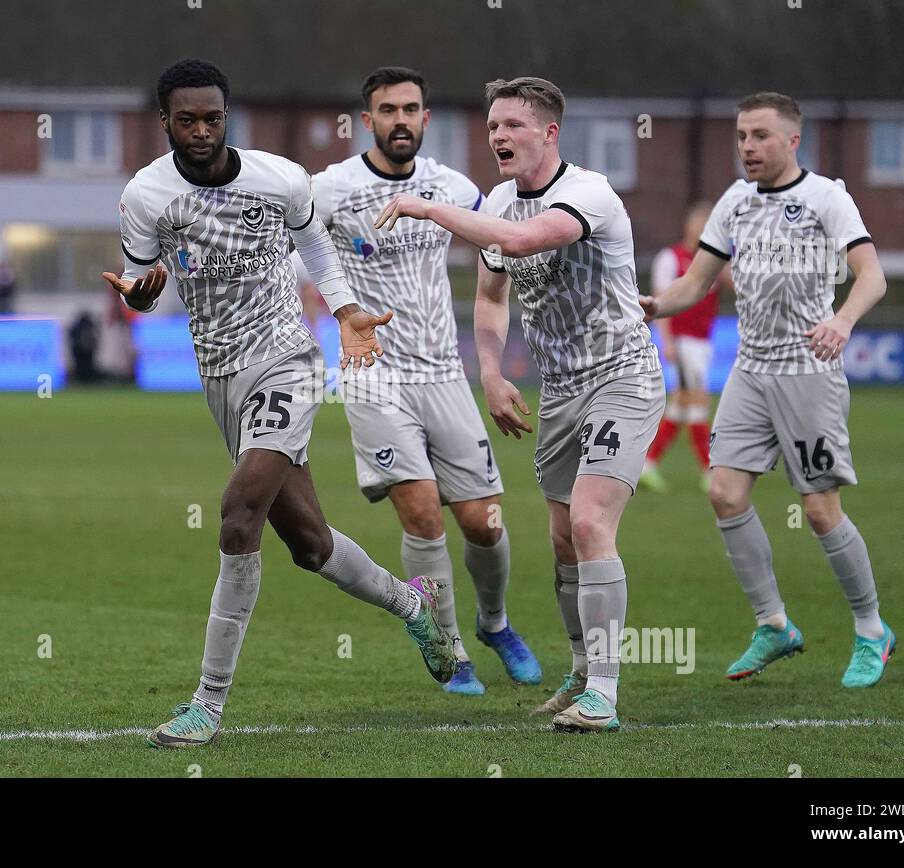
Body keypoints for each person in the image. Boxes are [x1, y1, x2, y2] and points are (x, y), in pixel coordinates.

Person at [101, 58, 458, 749]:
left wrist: (347, 310)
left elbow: (314, 246)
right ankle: (413, 604)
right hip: (220, 376)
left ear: (227, 116)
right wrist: (143, 297)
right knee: (310, 544)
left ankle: (206, 703)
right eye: (187, 120)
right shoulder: (146, 195)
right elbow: (147, 276)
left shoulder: (281, 179)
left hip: (286, 364)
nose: (201, 130)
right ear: (165, 123)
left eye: (212, 117)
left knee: (238, 516)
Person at [375, 76, 663, 732]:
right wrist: (493, 372)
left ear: (549, 133)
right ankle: (585, 669)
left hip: (623, 376)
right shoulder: (501, 199)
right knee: (564, 543)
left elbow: (529, 240)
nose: (499, 136)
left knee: (591, 524)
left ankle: (605, 696)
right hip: (559, 391)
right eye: (493, 127)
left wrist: (429, 209)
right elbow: (491, 297)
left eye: (512, 125)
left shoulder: (587, 192)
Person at [641, 91, 893, 688]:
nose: (747, 147)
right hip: (750, 372)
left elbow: (873, 275)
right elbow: (695, 284)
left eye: (759, 136)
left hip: (808, 371)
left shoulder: (827, 197)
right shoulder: (734, 201)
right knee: (725, 492)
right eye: (741, 137)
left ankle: (871, 630)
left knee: (819, 509)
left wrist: (842, 320)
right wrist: (650, 305)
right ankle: (774, 624)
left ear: (792, 140)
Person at [310, 66, 539, 696]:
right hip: (372, 377)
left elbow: (504, 249)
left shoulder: (453, 188)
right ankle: (451, 647)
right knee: (421, 515)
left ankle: (493, 623)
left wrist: (493, 367)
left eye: (411, 109)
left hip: (444, 373)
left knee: (483, 521)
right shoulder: (331, 189)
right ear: (368, 121)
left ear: (426, 118)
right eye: (388, 110)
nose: (401, 120)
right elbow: (288, 237)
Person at [640, 203, 732, 493]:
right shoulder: (670, 258)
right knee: (697, 402)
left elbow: (738, 283)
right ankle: (709, 470)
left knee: (680, 407)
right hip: (681, 342)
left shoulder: (713, 262)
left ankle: (646, 465)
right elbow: (659, 301)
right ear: (689, 227)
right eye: (701, 226)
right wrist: (665, 341)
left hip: (703, 341)